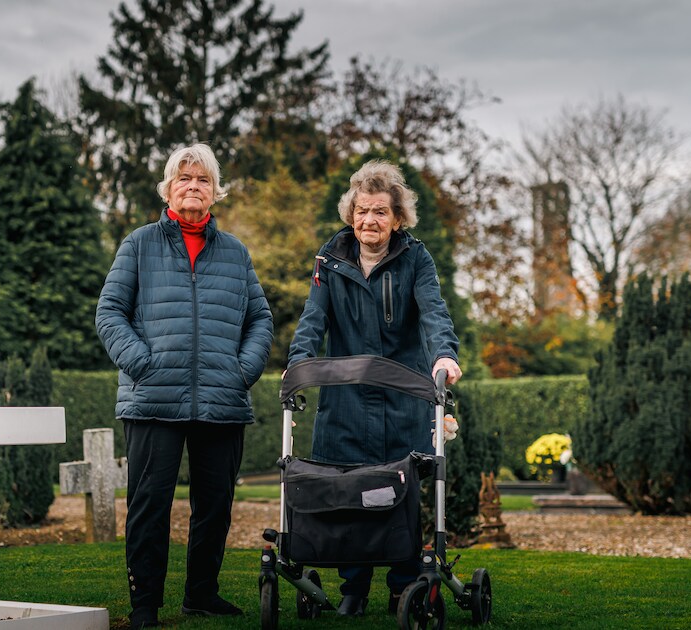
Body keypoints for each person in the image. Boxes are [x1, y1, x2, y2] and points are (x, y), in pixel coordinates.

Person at [95, 143, 273, 629]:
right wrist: (142, 365)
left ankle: (201, 595)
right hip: (152, 398)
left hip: (222, 397)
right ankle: (145, 605)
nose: (193, 187)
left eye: (202, 180)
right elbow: (109, 313)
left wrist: (243, 370)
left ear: (216, 192)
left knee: (214, 506)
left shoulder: (235, 253)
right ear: (169, 189)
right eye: (184, 179)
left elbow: (260, 318)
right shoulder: (139, 243)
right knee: (149, 505)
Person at [287, 159, 462, 617]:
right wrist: (298, 364)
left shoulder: (415, 258)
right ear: (351, 215)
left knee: (399, 491)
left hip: (401, 397)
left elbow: (433, 313)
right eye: (363, 210)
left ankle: (403, 586)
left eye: (381, 212)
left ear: (397, 218)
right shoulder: (329, 261)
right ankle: (353, 588)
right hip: (343, 400)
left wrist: (444, 354)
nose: (370, 220)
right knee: (347, 493)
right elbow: (313, 319)